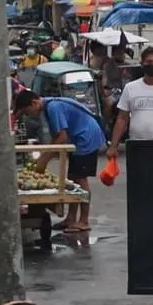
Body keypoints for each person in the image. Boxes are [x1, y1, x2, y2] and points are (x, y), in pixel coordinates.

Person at [13, 87, 105, 236]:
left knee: (80, 179)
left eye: (26, 112)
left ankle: (84, 220)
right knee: (73, 177)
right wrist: (44, 157)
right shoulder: (50, 105)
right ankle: (71, 218)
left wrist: (44, 159)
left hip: (86, 137)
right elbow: (58, 137)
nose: (28, 115)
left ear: (34, 103)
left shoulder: (53, 107)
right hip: (79, 137)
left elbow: (62, 137)